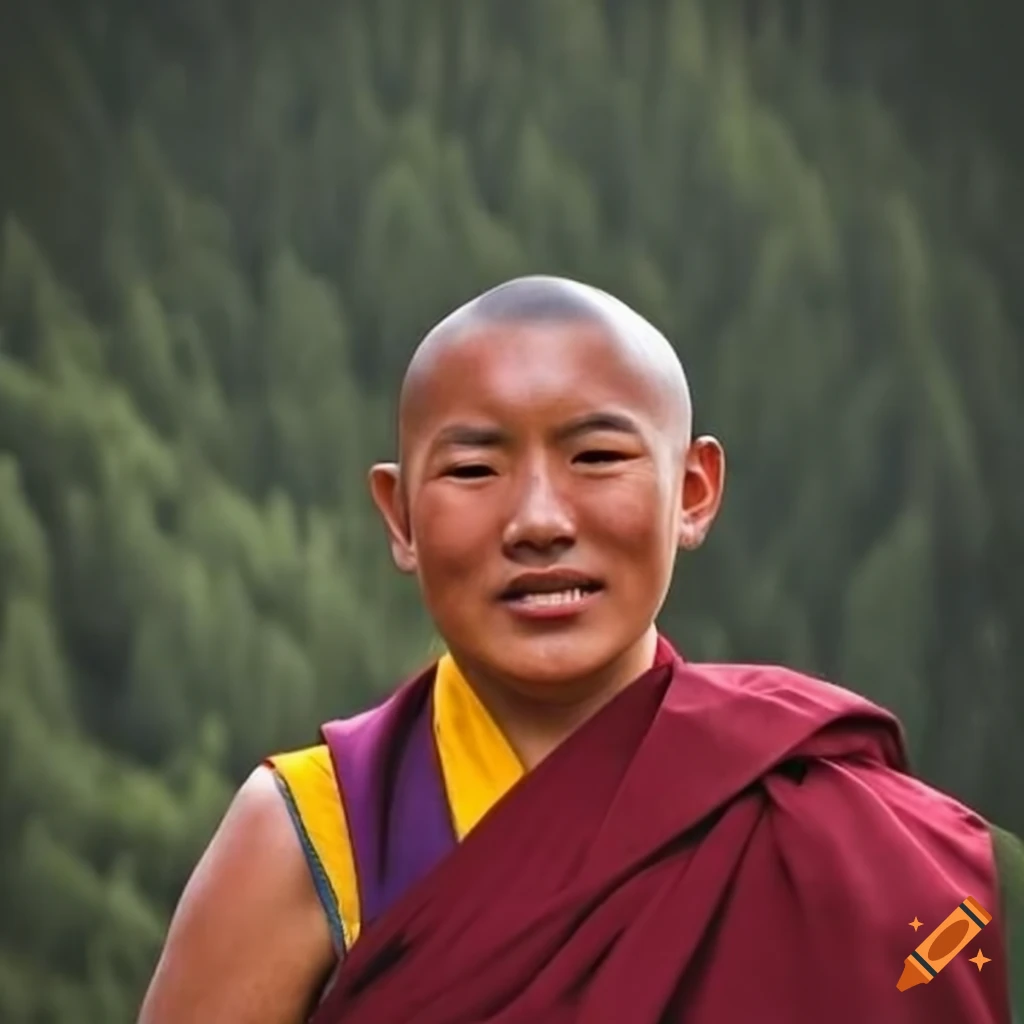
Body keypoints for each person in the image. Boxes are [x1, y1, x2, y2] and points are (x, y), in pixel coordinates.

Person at [138, 276, 1024, 1023]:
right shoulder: (314, 834)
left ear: (693, 490)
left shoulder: (830, 823)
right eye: (474, 470)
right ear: (399, 516)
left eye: (596, 457)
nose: (538, 521)